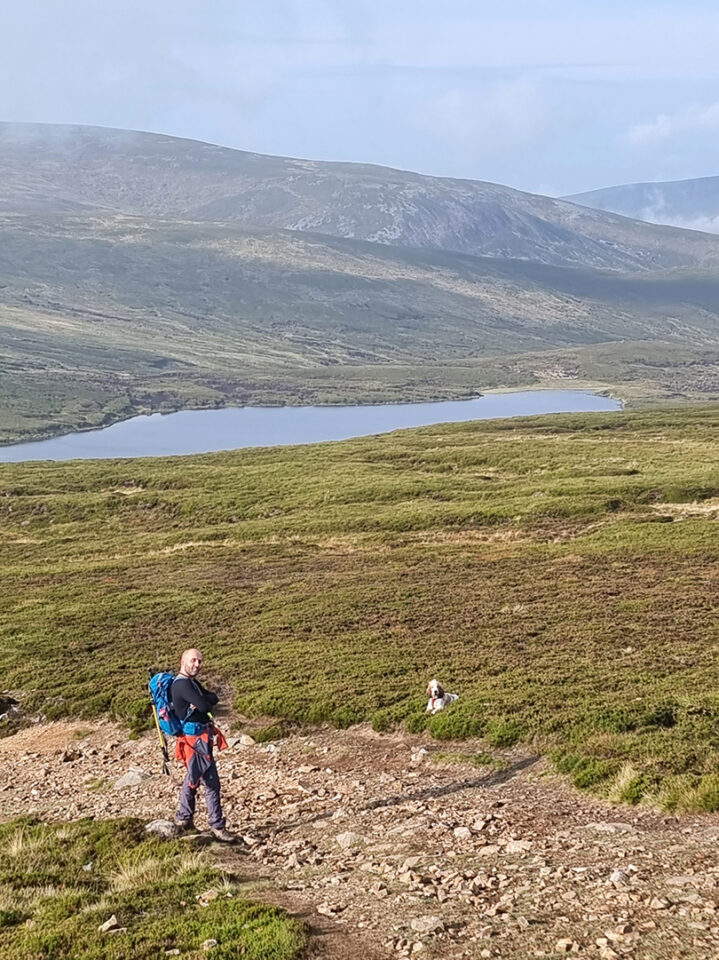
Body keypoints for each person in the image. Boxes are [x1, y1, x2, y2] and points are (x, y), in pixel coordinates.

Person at [171, 648, 235, 842]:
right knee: (210, 781)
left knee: (194, 776)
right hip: (196, 737)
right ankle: (216, 826)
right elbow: (207, 705)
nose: (197, 665)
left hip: (199, 736)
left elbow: (212, 698)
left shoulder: (191, 683)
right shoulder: (182, 685)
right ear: (183, 661)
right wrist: (202, 702)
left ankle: (184, 818)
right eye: (193, 661)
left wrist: (201, 701)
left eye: (199, 661)